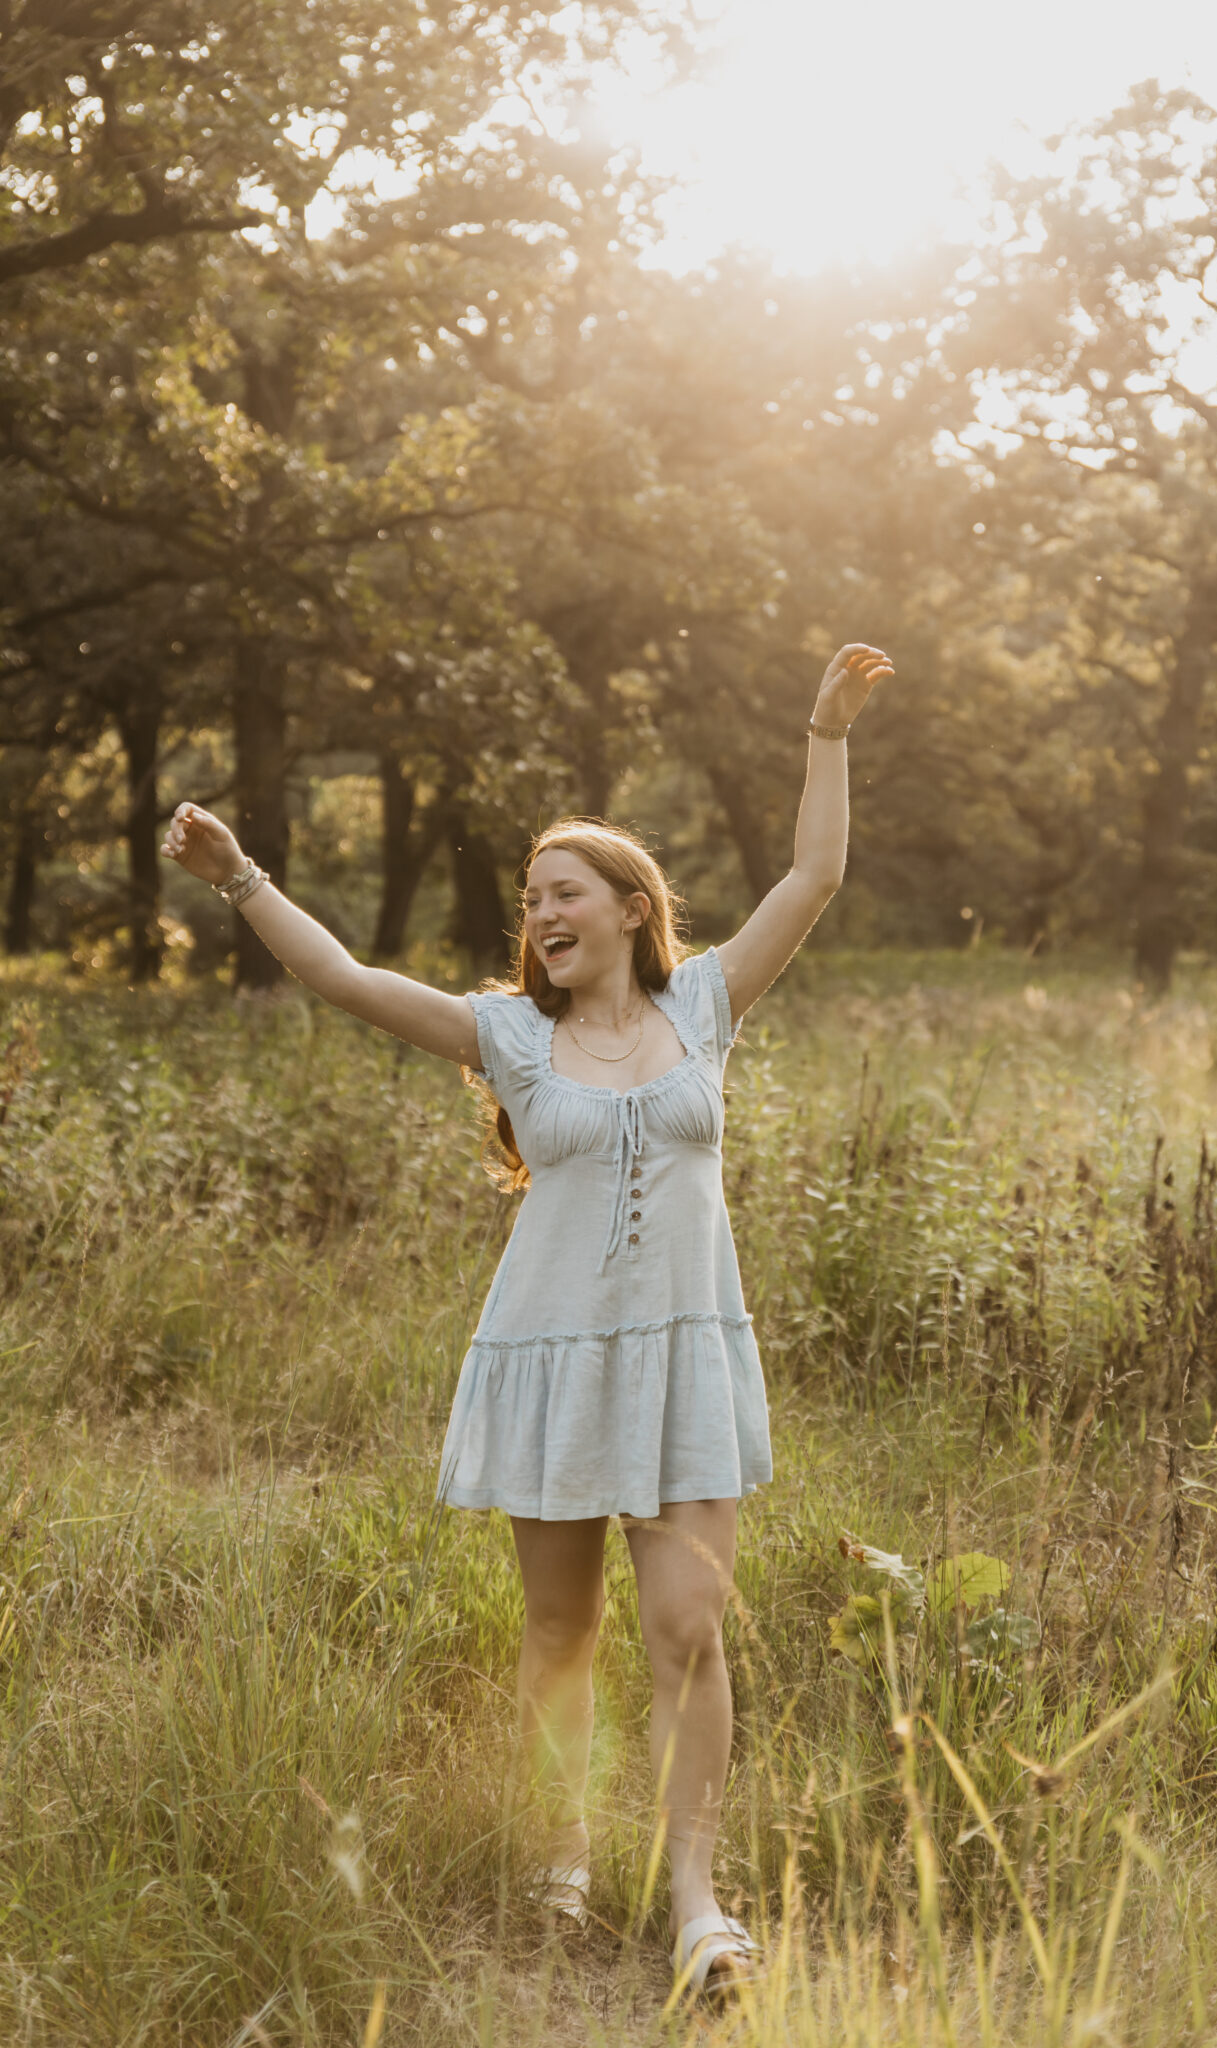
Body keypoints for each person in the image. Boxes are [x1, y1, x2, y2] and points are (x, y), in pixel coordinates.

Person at [160, 640, 893, 2007]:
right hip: (548, 1363)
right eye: (529, 898)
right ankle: (562, 1849)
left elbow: (814, 879)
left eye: (564, 892)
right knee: (559, 1637)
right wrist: (245, 878)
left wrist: (824, 734)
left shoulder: (707, 1006)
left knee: (686, 1627)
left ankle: (695, 1903)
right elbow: (343, 979)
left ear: (628, 908)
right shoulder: (504, 1034)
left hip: (681, 1360)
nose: (539, 911)